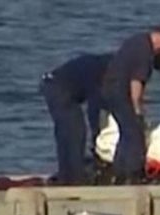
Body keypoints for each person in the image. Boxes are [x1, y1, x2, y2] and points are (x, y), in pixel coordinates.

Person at [101, 25, 160, 184]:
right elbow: (136, 82)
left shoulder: (137, 41)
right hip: (120, 92)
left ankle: (119, 172)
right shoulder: (145, 52)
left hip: (109, 89)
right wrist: (137, 109)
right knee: (135, 132)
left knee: (125, 132)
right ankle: (133, 174)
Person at [40, 52, 112, 185]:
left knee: (65, 134)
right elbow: (94, 107)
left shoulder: (106, 63)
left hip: (52, 83)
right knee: (75, 132)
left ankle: (66, 176)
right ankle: (75, 179)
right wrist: (97, 137)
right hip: (59, 88)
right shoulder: (105, 72)